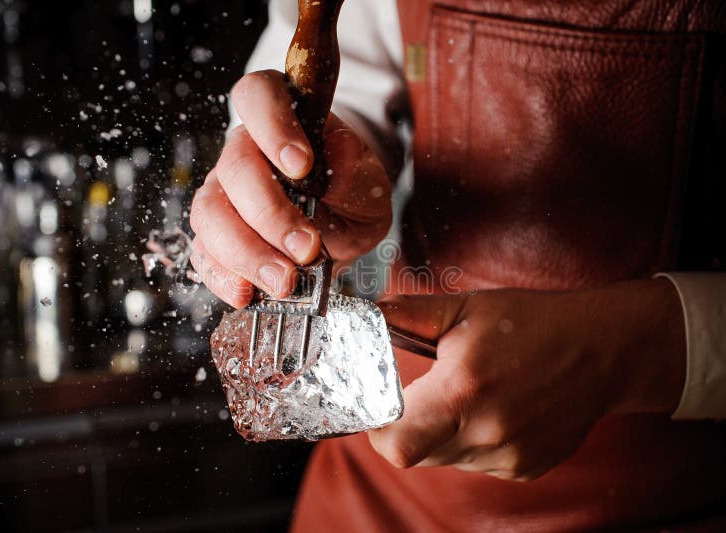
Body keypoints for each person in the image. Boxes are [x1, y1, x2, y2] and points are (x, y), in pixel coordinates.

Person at [189, 0, 726, 530]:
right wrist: (317, 173)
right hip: (386, 484)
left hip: (676, 491)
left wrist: (637, 352)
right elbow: (352, 83)